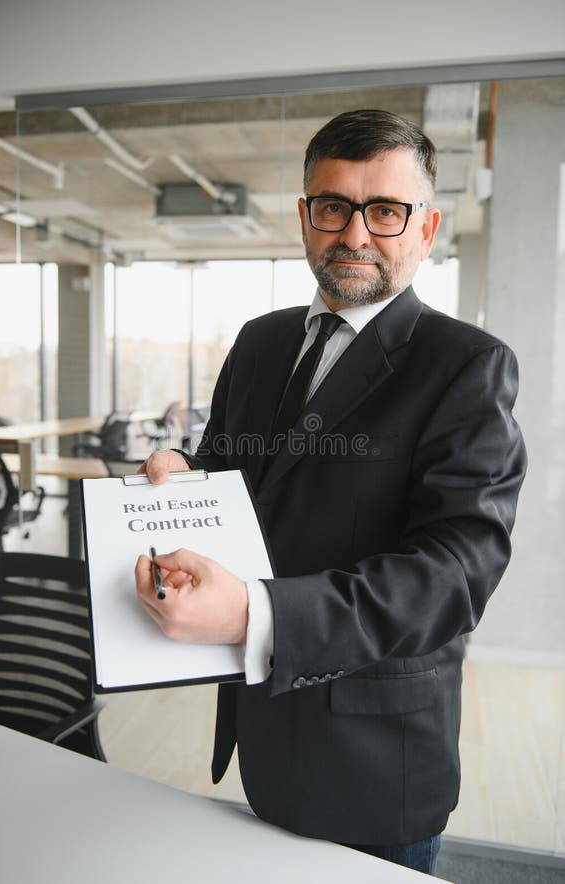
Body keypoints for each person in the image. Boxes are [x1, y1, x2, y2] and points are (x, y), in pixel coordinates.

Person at [135, 109, 527, 876]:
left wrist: (259, 613)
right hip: (262, 723)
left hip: (374, 758)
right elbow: (234, 476)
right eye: (332, 206)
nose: (354, 233)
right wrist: (183, 478)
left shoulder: (465, 364)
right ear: (304, 216)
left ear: (426, 227)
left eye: (385, 210)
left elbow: (455, 571)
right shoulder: (260, 340)